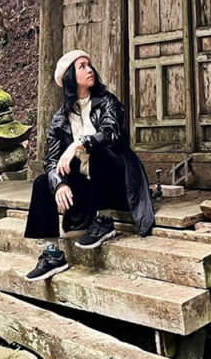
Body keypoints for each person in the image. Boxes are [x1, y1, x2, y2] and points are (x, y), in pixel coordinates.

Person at [23, 49, 155, 281]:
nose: (89, 70)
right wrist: (60, 184)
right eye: (82, 66)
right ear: (70, 78)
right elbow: (51, 161)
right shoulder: (60, 119)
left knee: (100, 154)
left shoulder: (108, 102)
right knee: (44, 181)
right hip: (88, 190)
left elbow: (110, 133)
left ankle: (104, 220)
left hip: (117, 185)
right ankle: (52, 253)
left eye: (89, 65)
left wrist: (78, 144)